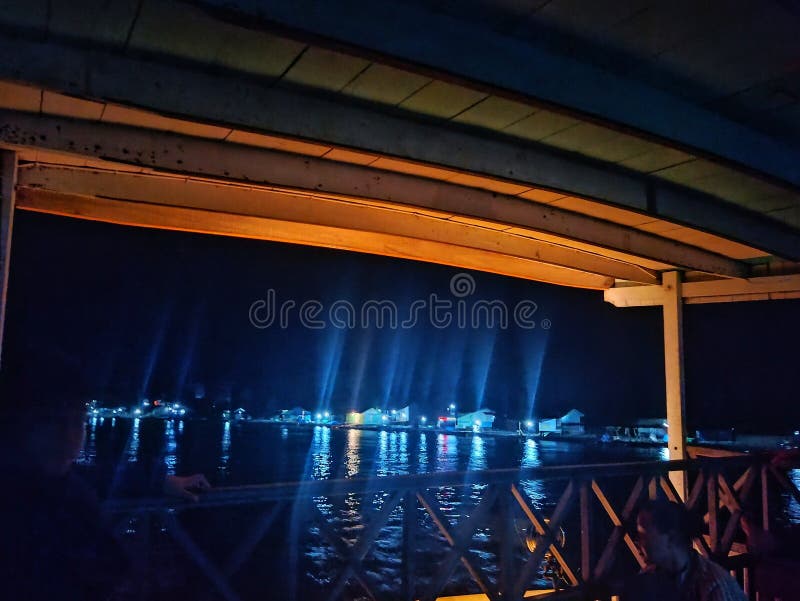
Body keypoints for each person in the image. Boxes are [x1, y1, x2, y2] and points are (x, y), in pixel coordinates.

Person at [0, 348, 210, 599]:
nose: (70, 439)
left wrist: (160, 480)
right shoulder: (23, 503)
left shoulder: (66, 483)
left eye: (79, 422)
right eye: (52, 421)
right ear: (16, 425)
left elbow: (103, 475)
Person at [624, 499, 747, 601]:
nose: (638, 541)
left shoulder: (713, 585)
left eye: (643, 535)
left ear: (671, 538)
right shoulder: (651, 577)